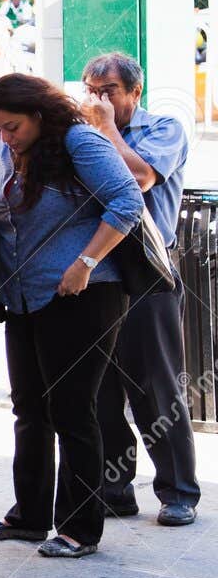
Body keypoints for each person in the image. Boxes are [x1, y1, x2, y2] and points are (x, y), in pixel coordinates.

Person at [0, 73, 143, 557]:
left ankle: (79, 528)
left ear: (39, 115)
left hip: (83, 292)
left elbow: (128, 199)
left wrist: (85, 262)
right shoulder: (8, 150)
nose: (6, 137)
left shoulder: (78, 140)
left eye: (13, 127)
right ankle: (29, 516)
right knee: (29, 407)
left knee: (72, 409)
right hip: (23, 294)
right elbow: (1, 207)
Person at [80, 52, 199, 526]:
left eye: (108, 91)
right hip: (99, 269)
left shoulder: (163, 129)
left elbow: (141, 176)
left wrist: (106, 129)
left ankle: (178, 492)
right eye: (92, 90)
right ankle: (115, 487)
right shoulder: (83, 131)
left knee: (156, 386)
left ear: (134, 92)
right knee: (101, 386)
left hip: (148, 269)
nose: (99, 99)